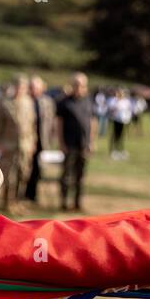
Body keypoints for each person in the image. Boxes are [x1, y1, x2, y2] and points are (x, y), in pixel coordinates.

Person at [0, 74, 36, 213]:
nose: (20, 89)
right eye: (18, 86)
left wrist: (33, 142)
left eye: (23, 87)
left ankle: (18, 200)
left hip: (25, 145)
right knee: (9, 175)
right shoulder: (5, 103)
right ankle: (8, 202)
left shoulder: (28, 103)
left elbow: (32, 125)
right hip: (9, 145)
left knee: (23, 173)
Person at [55, 72, 94, 211]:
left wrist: (91, 142)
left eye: (82, 85)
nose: (79, 87)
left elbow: (91, 122)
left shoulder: (89, 101)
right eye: (76, 84)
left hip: (83, 144)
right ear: (72, 85)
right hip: (69, 144)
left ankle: (78, 203)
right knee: (66, 175)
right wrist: (61, 143)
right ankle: (64, 202)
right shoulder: (64, 102)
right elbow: (59, 123)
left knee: (80, 176)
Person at [23, 75, 58, 202]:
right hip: (26, 141)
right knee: (25, 168)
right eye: (31, 87)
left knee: (37, 168)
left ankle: (32, 194)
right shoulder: (24, 101)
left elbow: (52, 121)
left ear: (42, 88)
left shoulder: (47, 102)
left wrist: (51, 138)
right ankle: (22, 194)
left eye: (36, 87)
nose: (33, 90)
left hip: (41, 140)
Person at [108, 87, 132, 159]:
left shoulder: (126, 101)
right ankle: (113, 150)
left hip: (123, 121)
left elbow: (128, 110)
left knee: (121, 136)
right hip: (116, 120)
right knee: (115, 135)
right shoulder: (114, 100)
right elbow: (111, 109)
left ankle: (120, 149)